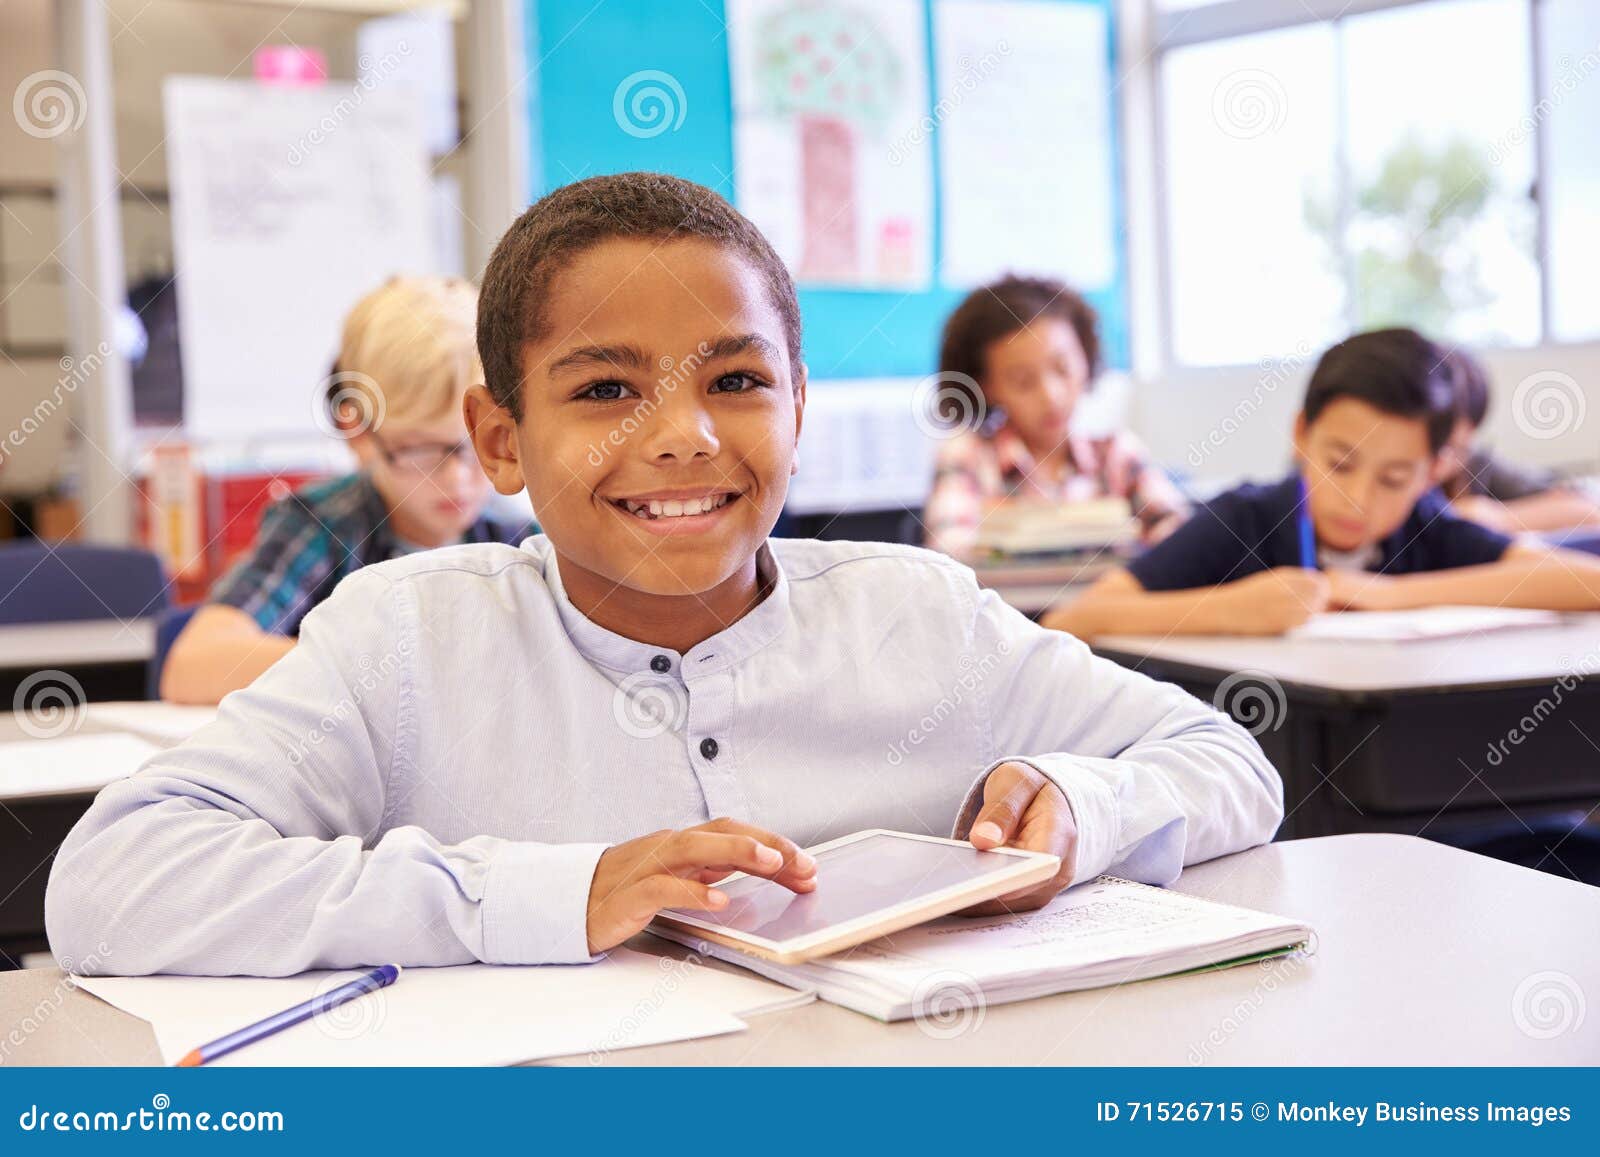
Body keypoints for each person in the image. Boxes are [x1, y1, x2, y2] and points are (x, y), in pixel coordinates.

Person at [48, 173, 1281, 977]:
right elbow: (114, 882)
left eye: (736, 381)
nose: (685, 434)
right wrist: (554, 892)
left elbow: (1232, 761)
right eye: (604, 389)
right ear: (500, 440)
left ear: (797, 408)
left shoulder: (918, 615)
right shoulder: (404, 640)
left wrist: (1079, 801)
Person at [1047, 328, 1600, 640]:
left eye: (1393, 477)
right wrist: (1230, 610)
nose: (1358, 499)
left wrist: (1383, 595)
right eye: (1339, 463)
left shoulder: (1426, 526)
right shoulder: (1245, 519)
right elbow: (1071, 620)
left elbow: (1587, 583)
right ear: (1302, 435)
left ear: (1434, 469)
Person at [161, 276, 534, 705]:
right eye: (419, 451)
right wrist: (388, 666)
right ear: (359, 433)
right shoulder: (323, 525)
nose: (458, 479)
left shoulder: (517, 539)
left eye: (479, 445)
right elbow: (192, 666)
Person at [922, 275, 1187, 558]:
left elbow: (1179, 533)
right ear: (986, 386)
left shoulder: (1116, 454)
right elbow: (950, 556)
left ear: (1085, 358)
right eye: (1023, 381)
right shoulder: (968, 457)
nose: (1051, 397)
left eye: (1063, 368)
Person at [1437, 347, 1600, 534]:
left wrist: (1494, 517)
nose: (1441, 463)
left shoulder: (1475, 465)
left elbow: (1586, 510)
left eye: (1456, 449)